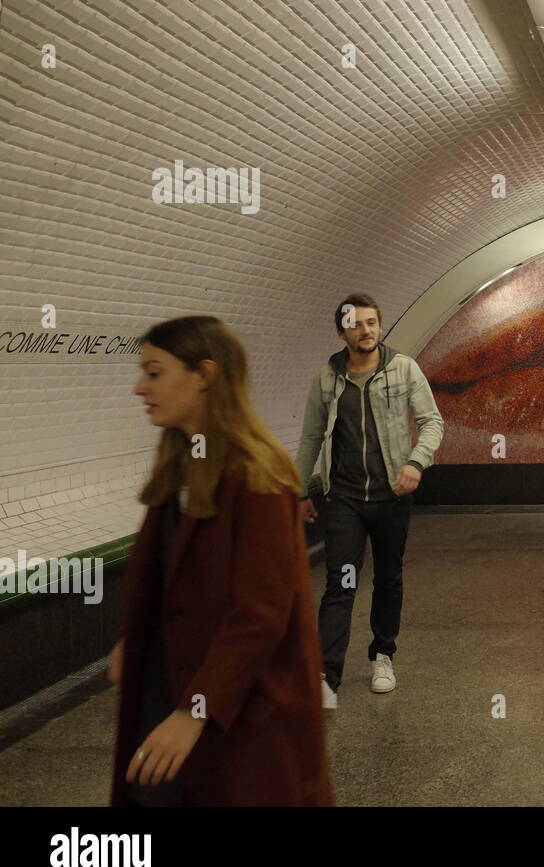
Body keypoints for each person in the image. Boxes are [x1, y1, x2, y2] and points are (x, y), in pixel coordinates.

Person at [109, 316, 333, 806]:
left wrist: (194, 710)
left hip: (241, 711)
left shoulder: (258, 476)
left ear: (204, 375)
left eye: (154, 372)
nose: (139, 387)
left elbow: (260, 613)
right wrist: (138, 638)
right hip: (174, 685)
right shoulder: (180, 463)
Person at [296, 294, 443, 709]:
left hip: (392, 497)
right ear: (342, 332)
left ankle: (383, 655)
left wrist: (416, 462)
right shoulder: (327, 378)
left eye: (372, 322)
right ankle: (326, 676)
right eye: (357, 324)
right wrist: (299, 492)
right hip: (343, 498)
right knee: (340, 584)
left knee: (388, 579)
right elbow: (310, 438)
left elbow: (432, 421)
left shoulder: (403, 369)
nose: (367, 331)